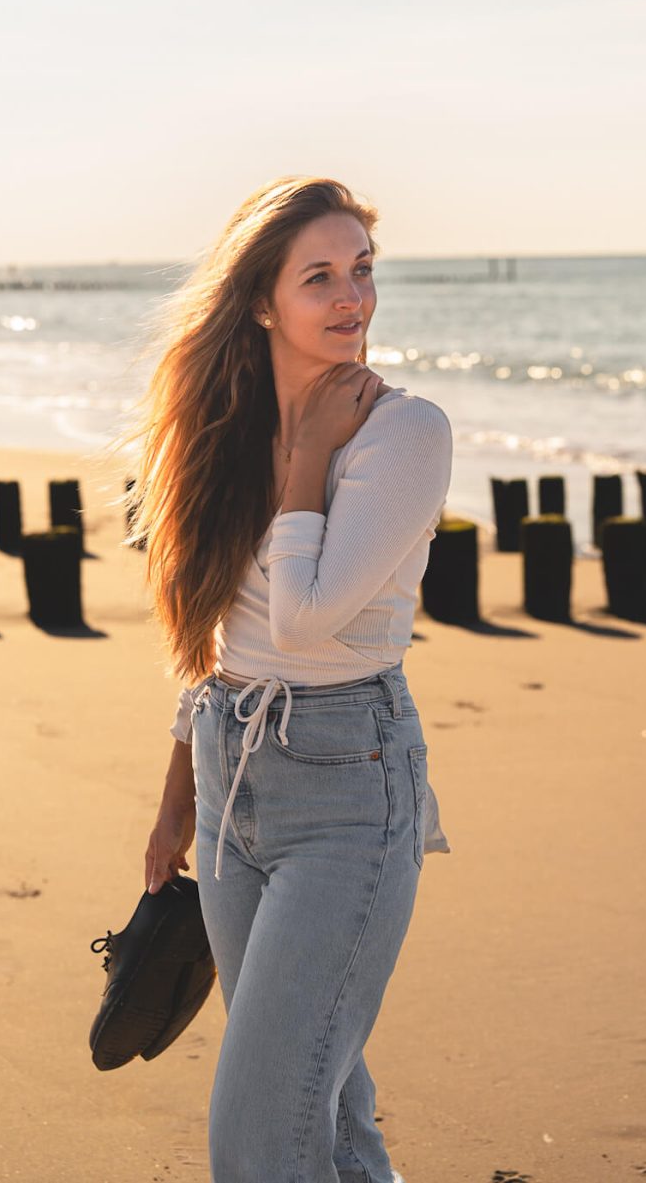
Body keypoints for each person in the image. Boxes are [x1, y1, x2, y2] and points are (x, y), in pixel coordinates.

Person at [117, 175, 453, 1183]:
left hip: (349, 784)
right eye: (321, 277)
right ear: (263, 298)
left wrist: (309, 456)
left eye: (361, 271)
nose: (352, 298)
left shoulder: (405, 432)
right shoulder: (218, 429)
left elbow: (308, 618)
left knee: (261, 1131)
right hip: (230, 781)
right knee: (328, 1109)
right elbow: (219, 633)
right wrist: (178, 793)